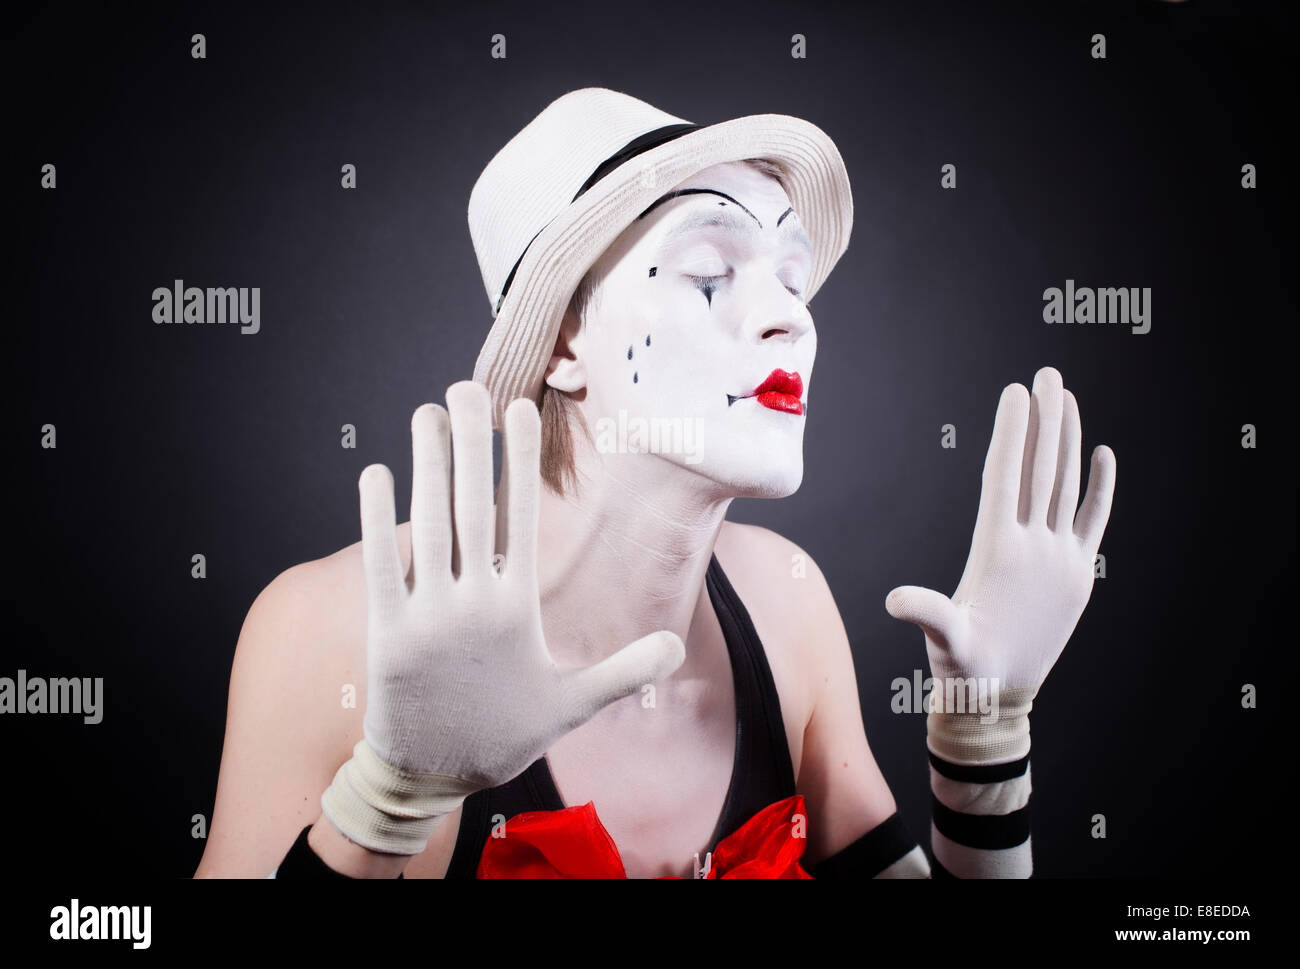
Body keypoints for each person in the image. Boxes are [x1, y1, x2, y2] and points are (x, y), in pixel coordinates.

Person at [194, 88, 1115, 879]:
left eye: (794, 279)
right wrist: (386, 805)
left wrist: (983, 733)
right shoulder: (327, 629)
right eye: (712, 272)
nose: (791, 319)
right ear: (562, 343)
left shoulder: (787, 604)